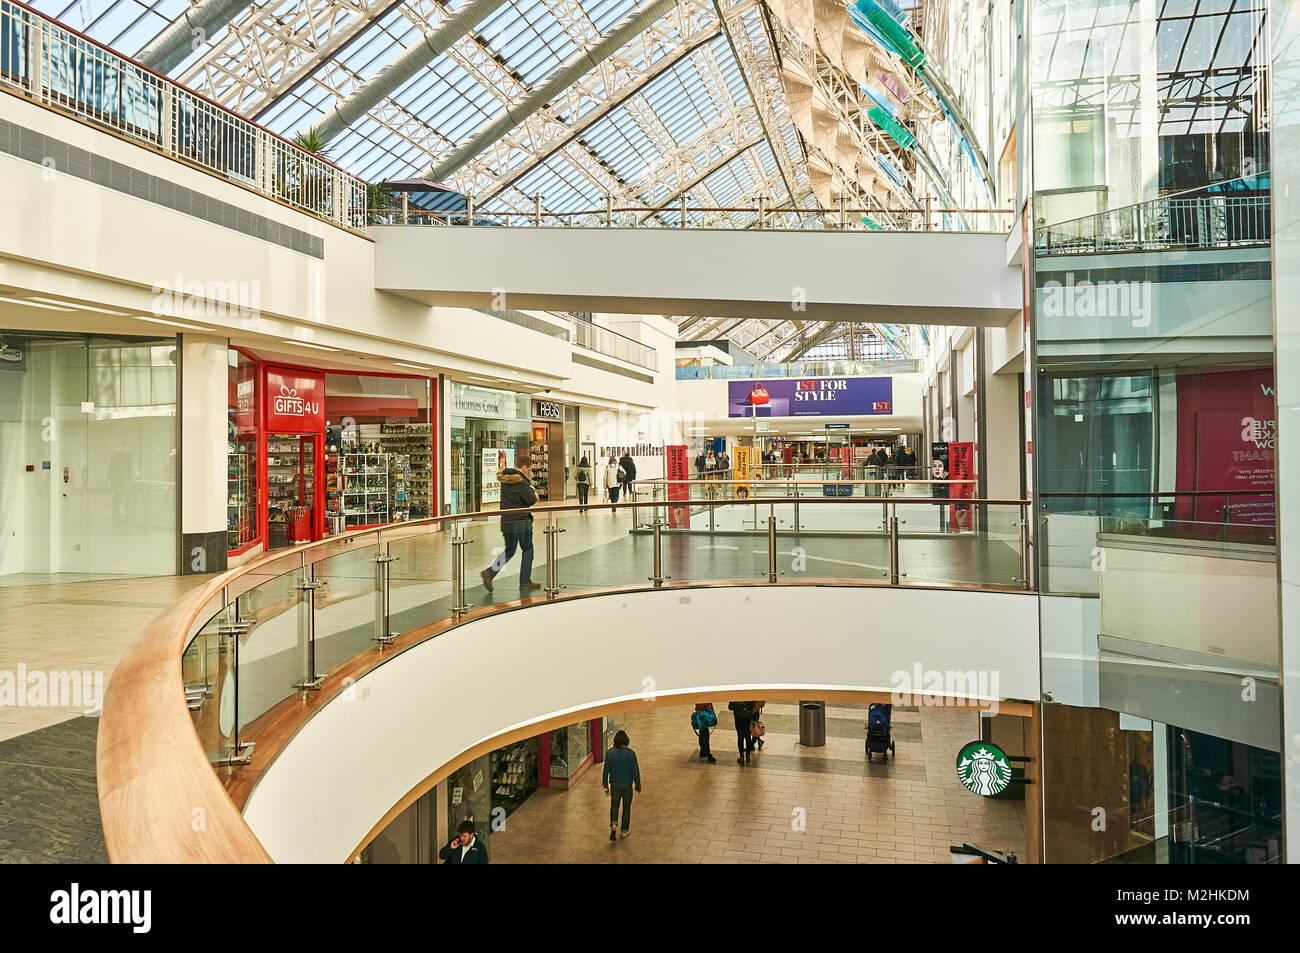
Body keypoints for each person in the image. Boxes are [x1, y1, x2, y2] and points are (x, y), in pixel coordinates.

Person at [480, 449, 541, 592]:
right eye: (528, 469)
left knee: (510, 550)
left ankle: (490, 572)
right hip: (521, 521)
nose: (527, 472)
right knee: (528, 549)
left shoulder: (506, 478)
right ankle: (525, 580)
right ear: (524, 467)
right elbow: (530, 500)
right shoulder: (521, 481)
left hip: (506, 521)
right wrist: (534, 493)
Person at [602, 729, 641, 840]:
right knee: (626, 807)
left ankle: (614, 823)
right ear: (626, 741)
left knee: (614, 805)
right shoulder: (631, 753)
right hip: (627, 785)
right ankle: (624, 830)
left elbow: (606, 770)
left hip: (615, 784)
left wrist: (605, 783)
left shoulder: (609, 753)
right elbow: (635, 771)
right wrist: (638, 784)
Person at [931, 456, 950, 532]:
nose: (937, 469)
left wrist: (944, 479)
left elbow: (947, 493)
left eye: (940, 466)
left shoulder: (947, 479)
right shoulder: (934, 481)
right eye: (934, 466)